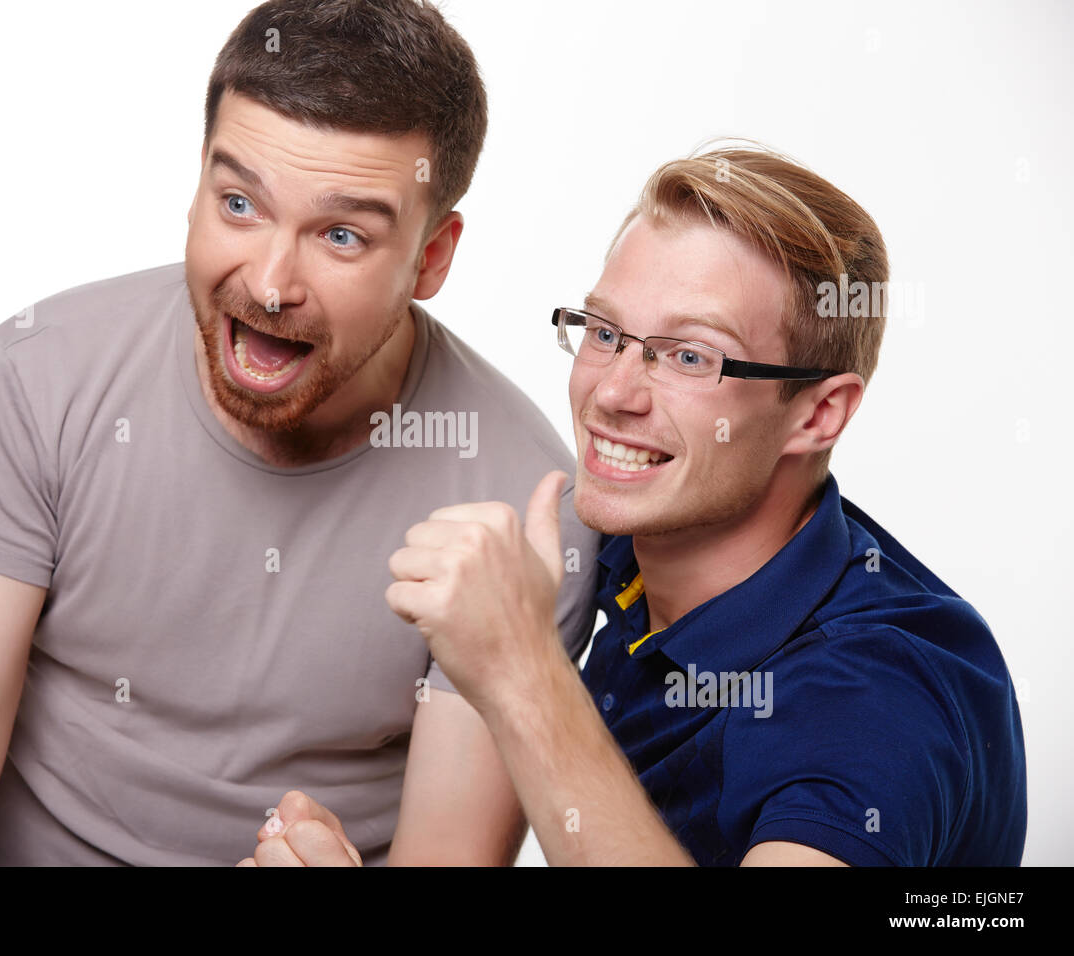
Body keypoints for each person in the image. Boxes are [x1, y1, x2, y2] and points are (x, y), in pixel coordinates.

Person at [0, 0, 600, 867]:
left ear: (431, 256)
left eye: (341, 235)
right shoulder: (34, 380)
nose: (270, 284)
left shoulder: (523, 516)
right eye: (239, 203)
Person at [252, 145, 1027, 866]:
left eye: (691, 356)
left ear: (818, 414)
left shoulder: (876, 701)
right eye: (605, 332)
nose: (612, 395)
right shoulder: (635, 546)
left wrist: (522, 670)